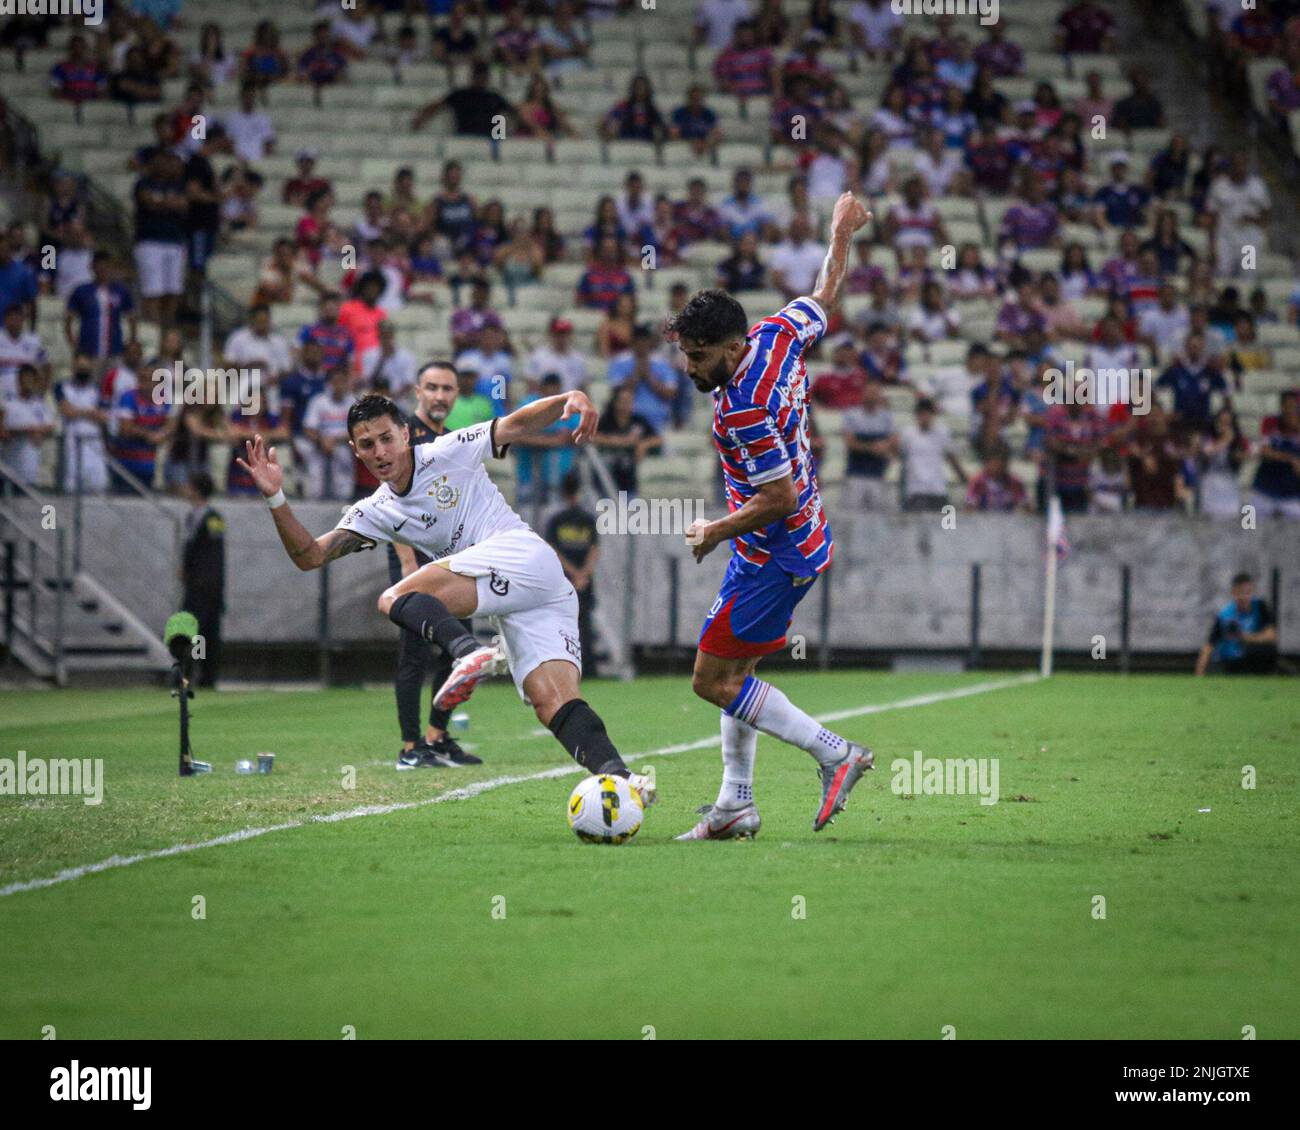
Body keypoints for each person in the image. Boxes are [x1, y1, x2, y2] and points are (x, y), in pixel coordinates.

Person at [234, 390, 656, 808]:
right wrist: (276, 497)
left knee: (395, 597)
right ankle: (623, 778)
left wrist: (570, 398)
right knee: (553, 702)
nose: (380, 451)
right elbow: (310, 556)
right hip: (526, 597)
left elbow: (516, 424)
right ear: (355, 451)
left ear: (404, 433)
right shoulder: (375, 510)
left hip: (522, 556)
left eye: (386, 438)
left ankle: (467, 652)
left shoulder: (446, 450)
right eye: (367, 444)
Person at [665, 190, 875, 841]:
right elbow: (826, 293)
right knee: (738, 671)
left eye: (699, 358)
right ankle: (736, 804)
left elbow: (775, 497)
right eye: (684, 354)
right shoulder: (780, 332)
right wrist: (840, 232)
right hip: (785, 544)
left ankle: (834, 753)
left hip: (776, 548)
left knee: (710, 679)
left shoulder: (743, 407)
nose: (689, 368)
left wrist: (713, 529)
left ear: (730, 348)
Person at [388, 361, 482, 769]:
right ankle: (410, 747)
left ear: (456, 394)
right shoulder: (402, 436)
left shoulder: (451, 441)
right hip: (416, 560)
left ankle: (437, 736)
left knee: (458, 650)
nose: (440, 395)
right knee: (415, 653)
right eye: (432, 387)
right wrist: (408, 563)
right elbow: (392, 504)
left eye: (447, 388)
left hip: (452, 562)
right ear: (417, 391)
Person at [545, 471, 601, 678]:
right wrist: (583, 574)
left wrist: (574, 574)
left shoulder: (557, 520)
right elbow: (594, 549)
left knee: (562, 626)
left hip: (564, 581)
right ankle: (588, 668)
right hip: (582, 581)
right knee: (583, 625)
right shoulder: (587, 519)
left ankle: (565, 669)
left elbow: (554, 551)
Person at [180, 472, 226, 688]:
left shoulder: (214, 518)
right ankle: (187, 672)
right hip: (194, 583)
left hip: (207, 586)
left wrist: (209, 581)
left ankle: (207, 675)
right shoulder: (192, 516)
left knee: (207, 632)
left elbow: (215, 553)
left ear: (197, 490)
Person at [1195, 573, 1278, 675]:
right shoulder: (1225, 615)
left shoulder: (1260, 607)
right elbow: (1208, 646)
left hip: (1253, 658)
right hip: (1230, 662)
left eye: (1247, 592)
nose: (1244, 597)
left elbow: (1271, 636)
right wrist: (1199, 674)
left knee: (1266, 650)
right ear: (1233, 592)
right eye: (1240, 592)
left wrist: (1245, 637)